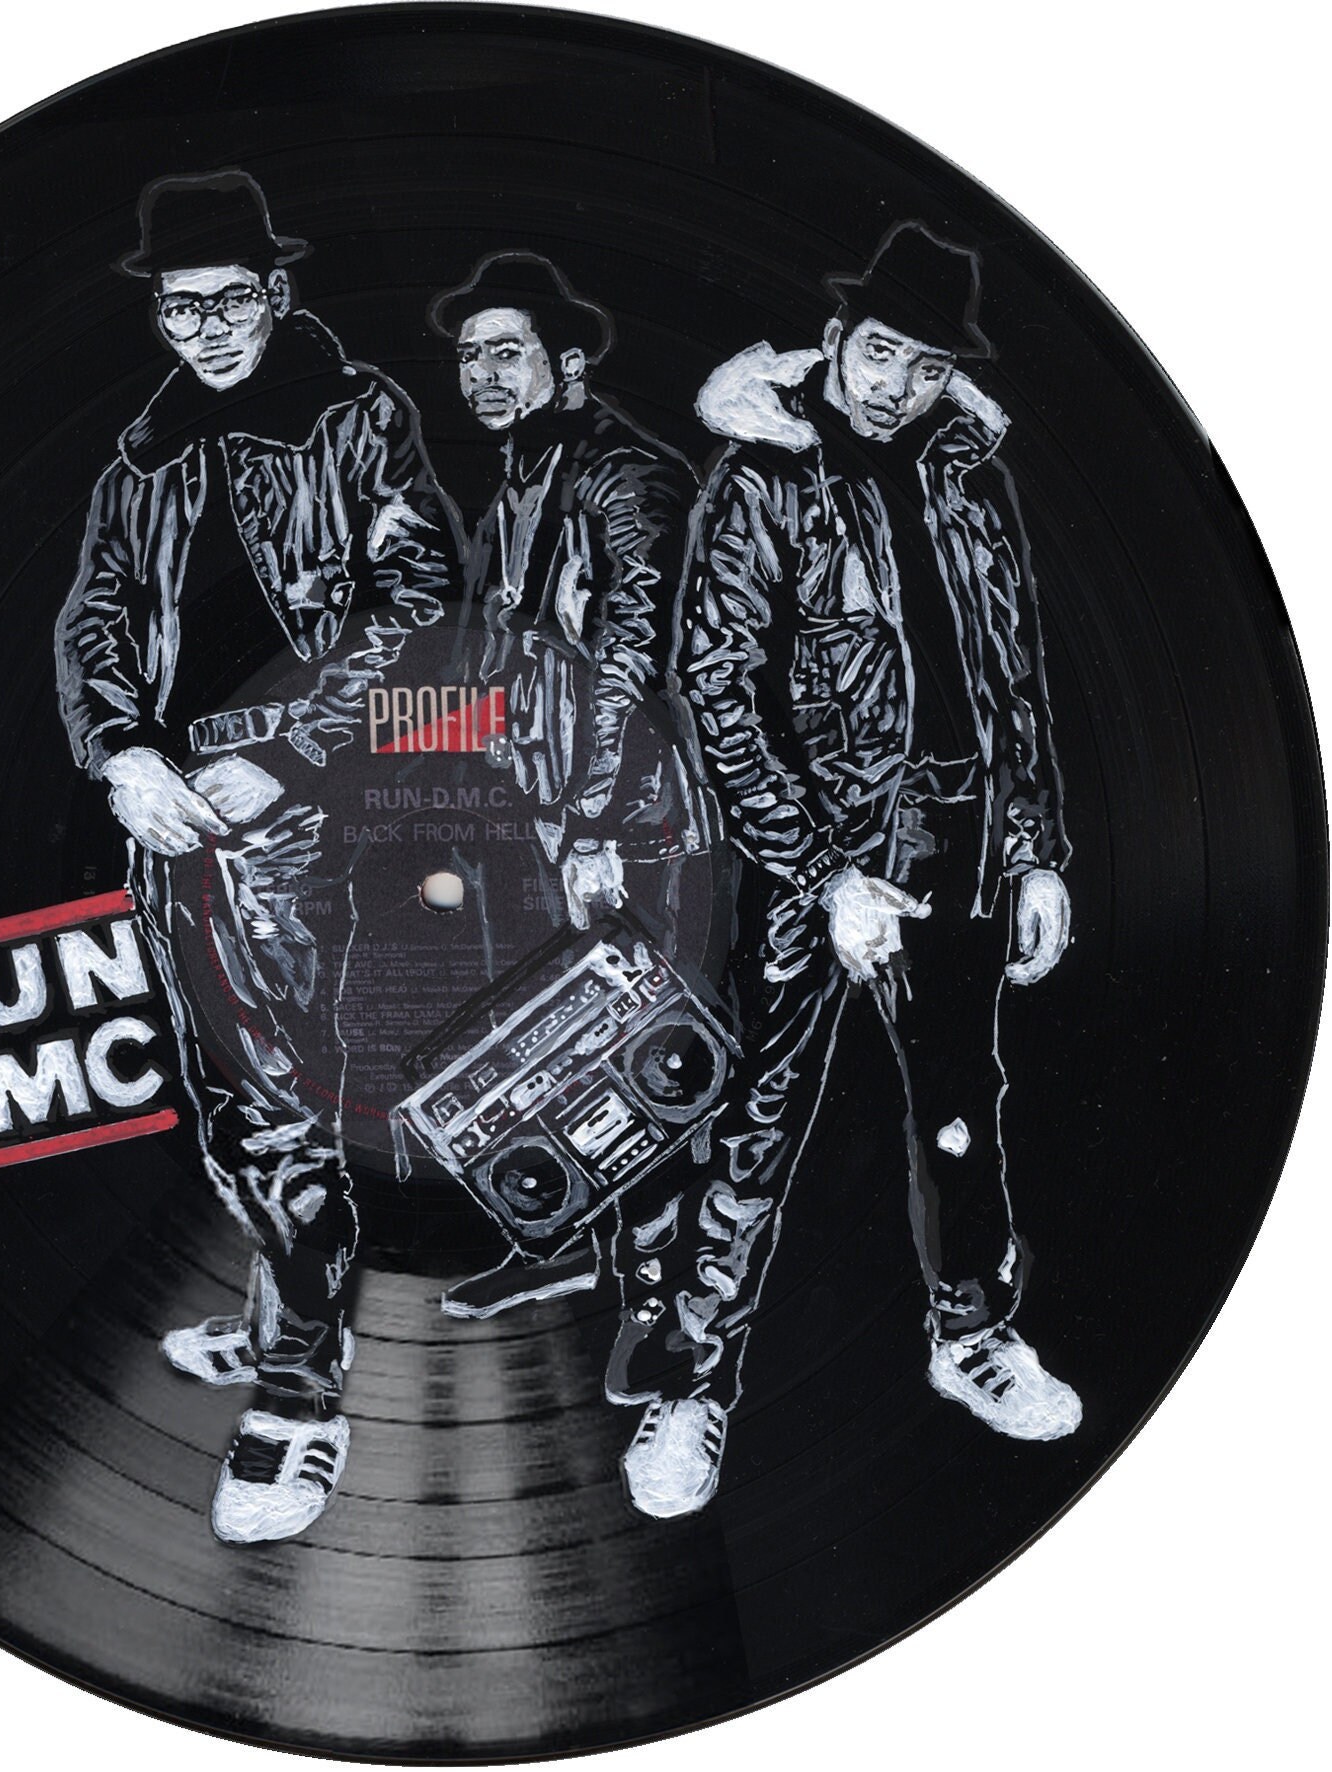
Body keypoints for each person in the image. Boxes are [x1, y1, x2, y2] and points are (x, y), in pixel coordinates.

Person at [610, 221, 1080, 1520]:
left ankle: (972, 1333)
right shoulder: (762, 472)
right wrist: (822, 873)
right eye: (880, 353)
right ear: (835, 338)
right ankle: (689, 1385)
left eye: (926, 367)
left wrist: (1034, 848)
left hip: (955, 843)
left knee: (957, 1105)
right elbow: (715, 693)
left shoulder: (968, 475)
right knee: (750, 1118)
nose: (896, 385)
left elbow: (1011, 673)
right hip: (797, 857)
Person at [54, 169, 457, 1544]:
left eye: (231, 301)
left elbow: (419, 605)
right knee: (236, 1101)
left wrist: (289, 756)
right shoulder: (142, 462)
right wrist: (123, 756)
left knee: (290, 1104)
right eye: (183, 309)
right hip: (177, 816)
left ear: (278, 295)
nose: (209, 330)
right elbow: (96, 619)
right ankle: (291, 1305)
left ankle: (297, 1402)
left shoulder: (357, 416)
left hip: (326, 808)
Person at [424, 251, 703, 1322]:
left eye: (508, 352)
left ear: (569, 364)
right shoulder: (517, 478)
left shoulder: (627, 477)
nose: (483, 374)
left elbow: (633, 660)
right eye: (469, 356)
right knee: (549, 1041)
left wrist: (592, 823)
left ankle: (653, 1302)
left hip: (619, 816)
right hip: (532, 811)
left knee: (637, 1042)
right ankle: (561, 1244)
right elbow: (491, 657)